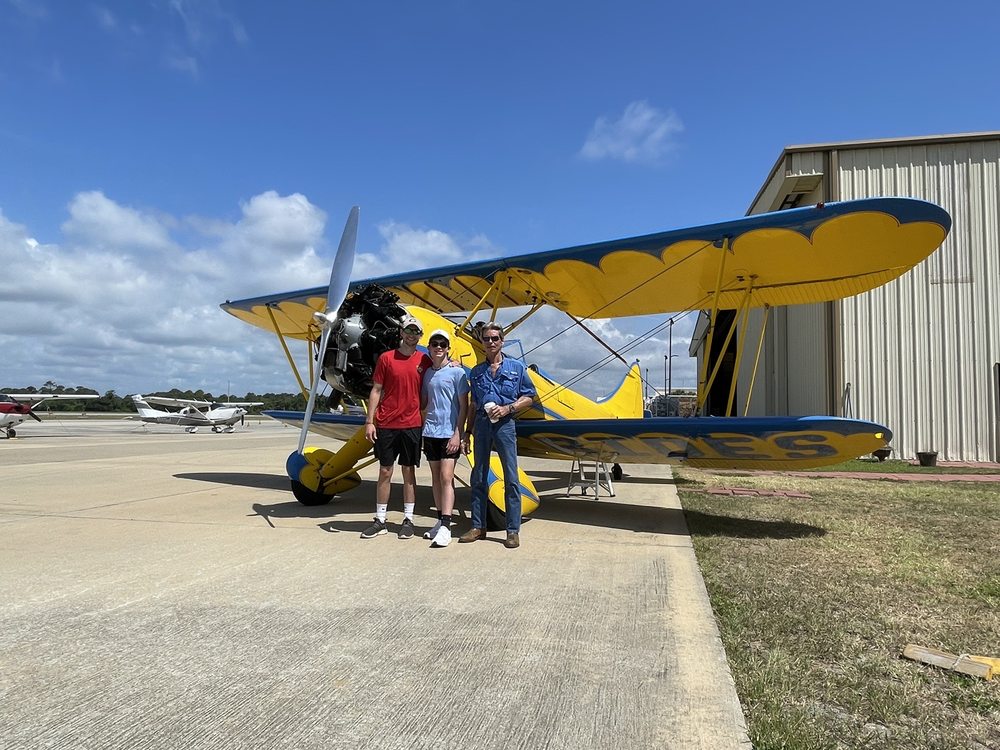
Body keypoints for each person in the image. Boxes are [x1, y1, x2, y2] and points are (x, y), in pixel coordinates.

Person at [460, 322, 536, 549]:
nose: (491, 342)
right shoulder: (476, 372)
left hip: (505, 425)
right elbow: (473, 405)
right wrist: (467, 431)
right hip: (482, 426)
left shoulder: (517, 368)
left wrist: (509, 408)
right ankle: (477, 526)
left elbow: (529, 396)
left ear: (502, 341)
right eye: (486, 339)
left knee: (511, 478)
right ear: (482, 343)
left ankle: (512, 530)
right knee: (478, 476)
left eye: (495, 338)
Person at [361, 314, 430, 540]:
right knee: (384, 471)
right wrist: (370, 421)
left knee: (409, 472)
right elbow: (376, 390)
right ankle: (380, 519)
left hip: (412, 423)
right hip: (387, 423)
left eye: (416, 332)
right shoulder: (386, 358)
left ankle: (408, 519)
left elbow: (440, 371)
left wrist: (454, 363)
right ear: (401, 332)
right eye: (408, 331)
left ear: (420, 336)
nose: (411, 335)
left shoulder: (424, 360)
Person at [420, 329, 469, 548]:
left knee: (446, 477)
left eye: (443, 344)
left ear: (448, 348)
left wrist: (458, 433)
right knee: (435, 478)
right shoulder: (427, 374)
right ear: (429, 347)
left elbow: (464, 406)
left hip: (449, 433)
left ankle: (447, 527)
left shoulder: (458, 373)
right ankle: (440, 521)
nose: (439, 347)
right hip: (429, 432)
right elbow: (423, 403)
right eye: (434, 344)